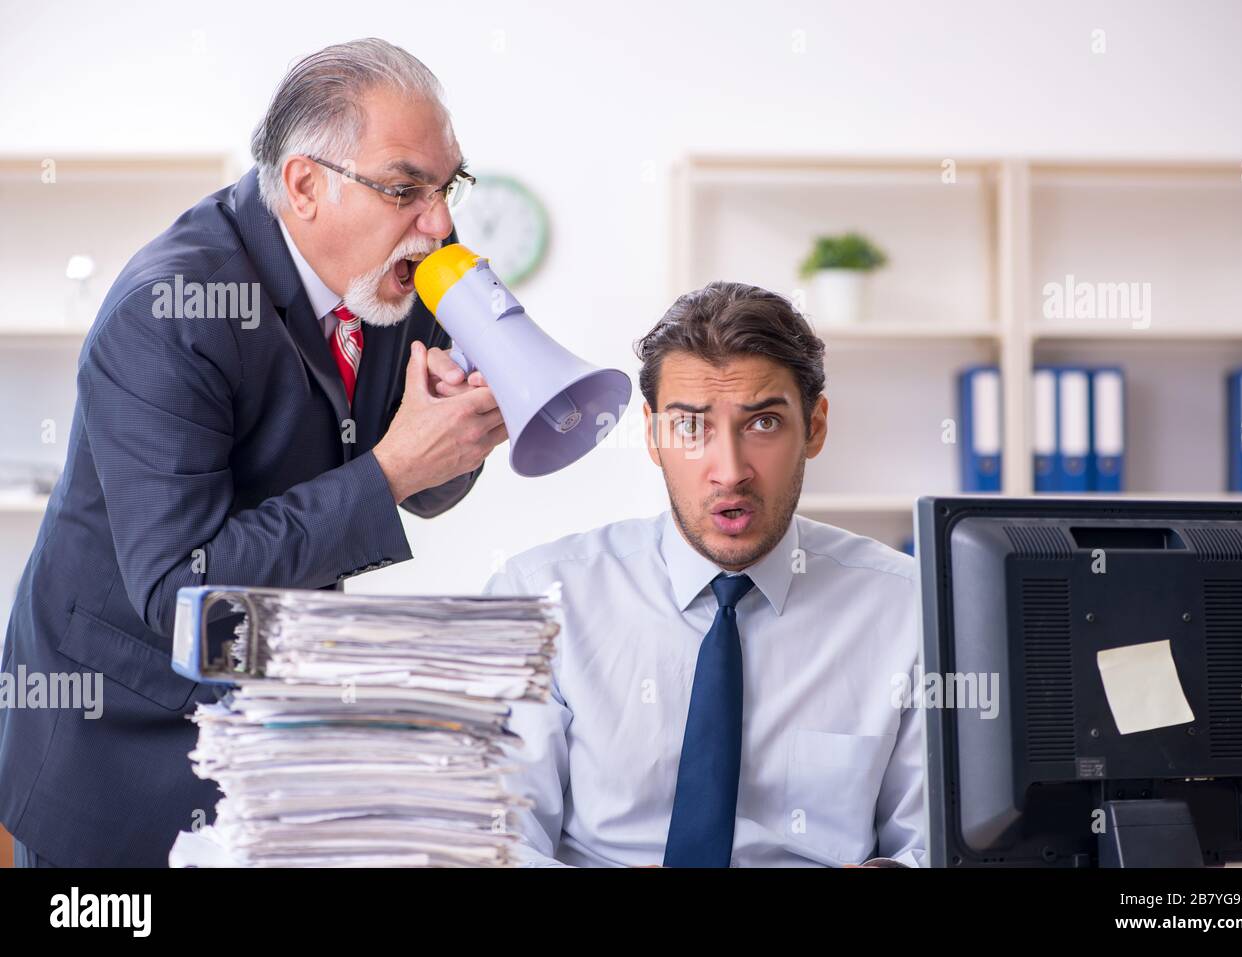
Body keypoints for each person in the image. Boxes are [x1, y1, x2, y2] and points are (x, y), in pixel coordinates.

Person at [0, 38, 507, 867]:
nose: (439, 220)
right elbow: (182, 599)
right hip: (119, 738)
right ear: (305, 184)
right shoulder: (170, 310)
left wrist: (461, 434)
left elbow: (418, 482)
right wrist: (399, 466)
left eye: (447, 186)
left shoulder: (385, 275)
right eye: (406, 187)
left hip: (272, 713)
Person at [485, 281, 925, 867]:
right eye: (691, 426)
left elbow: (937, 842)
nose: (730, 471)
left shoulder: (910, 608)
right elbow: (495, 841)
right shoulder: (540, 598)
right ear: (653, 435)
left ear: (814, 427)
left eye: (763, 423)